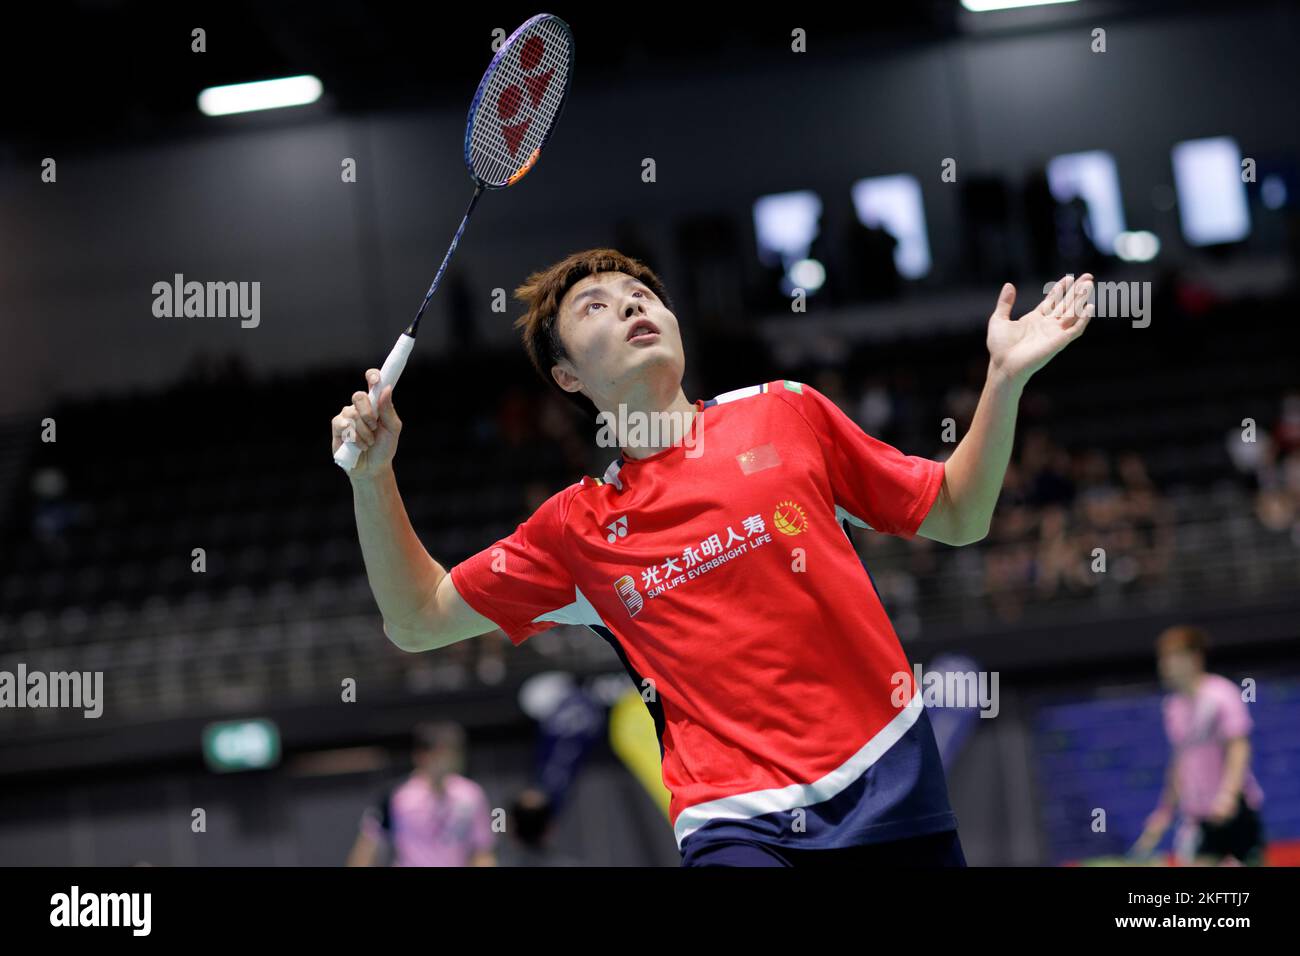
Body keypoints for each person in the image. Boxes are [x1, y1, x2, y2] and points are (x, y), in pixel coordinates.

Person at [330, 248, 1094, 867]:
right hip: (734, 821)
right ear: (567, 377)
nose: (630, 304)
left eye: (641, 293)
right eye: (595, 306)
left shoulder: (785, 411)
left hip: (888, 778)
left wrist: (1004, 381)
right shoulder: (576, 531)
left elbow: (959, 513)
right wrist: (374, 479)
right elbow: (417, 617)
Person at [1133, 625, 1266, 866]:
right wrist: (1164, 812)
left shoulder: (1221, 694)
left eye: (1173, 656)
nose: (1166, 664)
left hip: (1235, 810)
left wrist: (1228, 796)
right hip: (1199, 816)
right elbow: (1179, 763)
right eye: (1163, 658)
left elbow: (1239, 747)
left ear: (1194, 657)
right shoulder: (1172, 706)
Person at [347, 722, 496, 867]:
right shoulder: (395, 795)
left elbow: (483, 851)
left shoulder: (471, 795)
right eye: (440, 753)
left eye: (454, 752)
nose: (447, 760)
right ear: (421, 756)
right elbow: (367, 850)